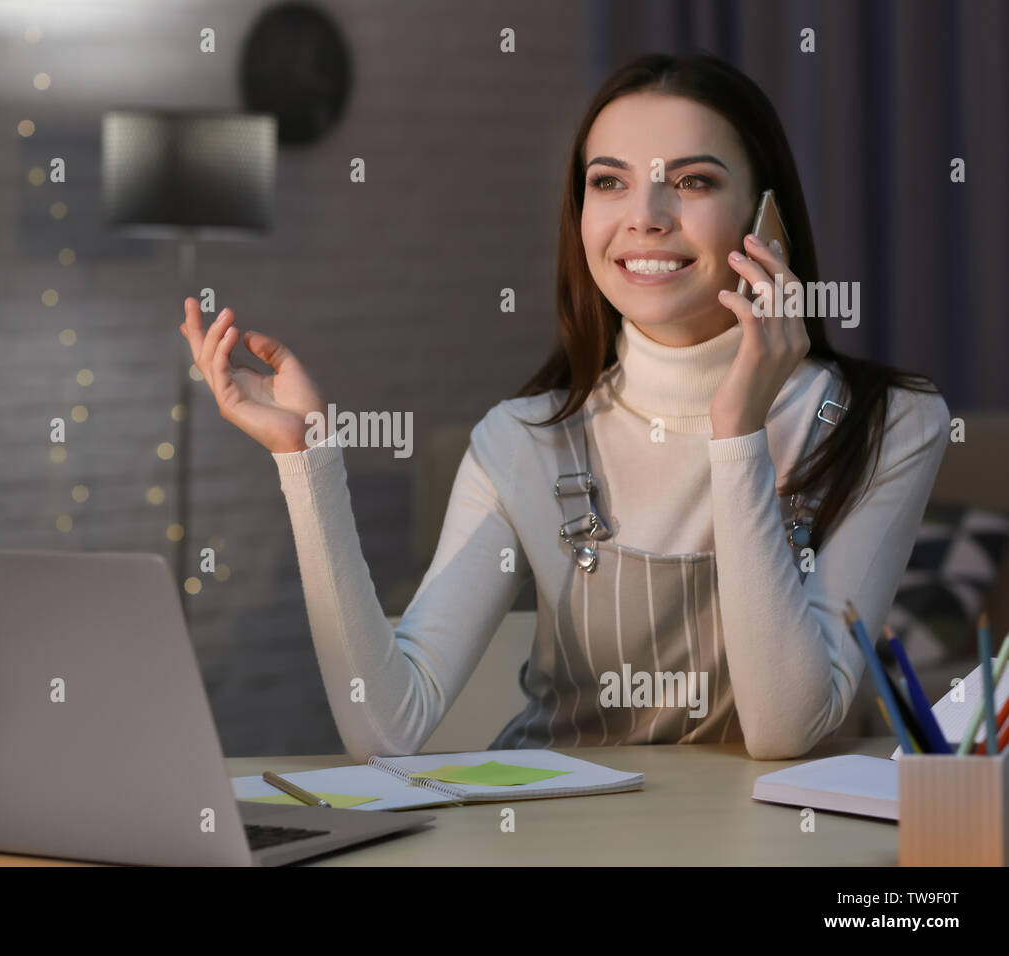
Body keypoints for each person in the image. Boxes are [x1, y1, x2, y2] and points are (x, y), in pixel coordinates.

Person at [178, 51, 949, 761]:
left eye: (692, 181)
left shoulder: (889, 424)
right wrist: (304, 458)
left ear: (766, 217)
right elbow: (385, 726)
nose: (643, 216)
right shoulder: (522, 440)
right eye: (608, 181)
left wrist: (738, 429)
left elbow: (786, 727)